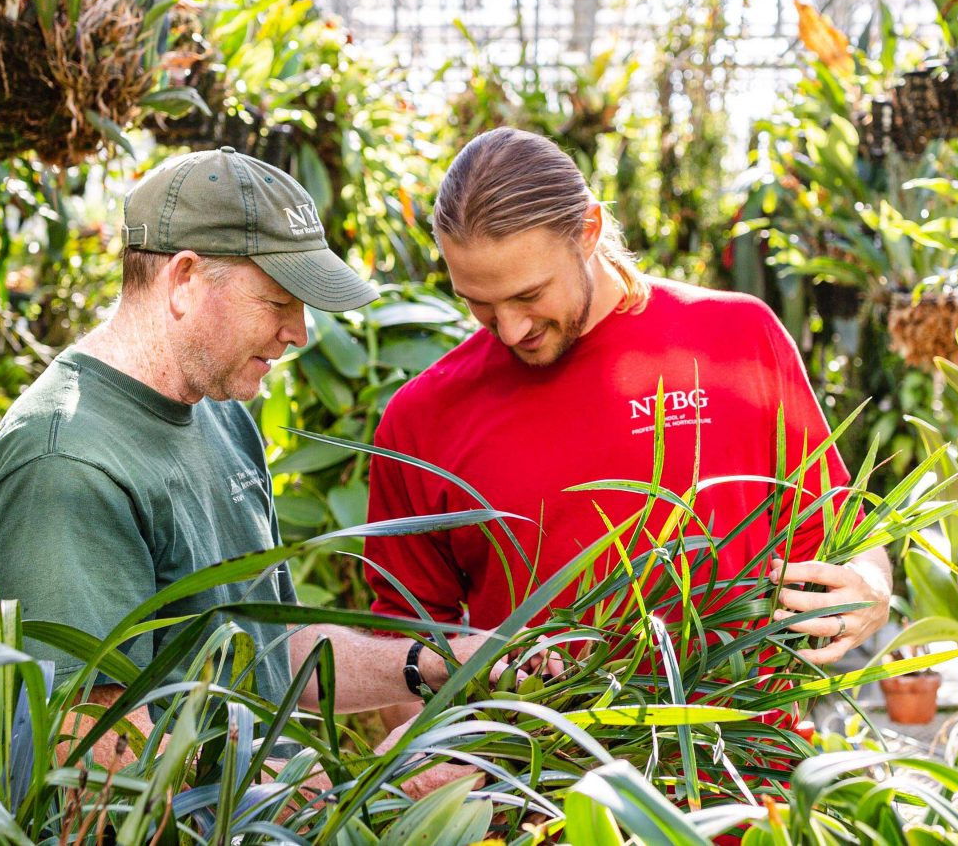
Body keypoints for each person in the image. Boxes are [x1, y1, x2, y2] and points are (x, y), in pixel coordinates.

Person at [0, 147, 495, 781]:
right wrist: (362, 796)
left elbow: (277, 646)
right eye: (278, 303)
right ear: (185, 280)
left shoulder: (218, 409)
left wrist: (446, 660)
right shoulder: (66, 465)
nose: (300, 333)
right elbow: (95, 759)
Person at [363, 128, 893, 699]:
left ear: (588, 231)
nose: (511, 329)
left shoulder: (737, 337)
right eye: (480, 304)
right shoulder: (422, 417)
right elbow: (405, 651)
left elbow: (836, 529)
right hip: (528, 776)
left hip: (740, 764)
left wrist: (872, 585)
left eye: (529, 295)